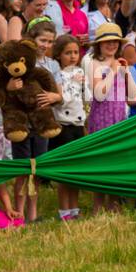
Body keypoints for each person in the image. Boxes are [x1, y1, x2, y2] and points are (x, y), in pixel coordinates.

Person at [9, 18, 63, 223]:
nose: (46, 45)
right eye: (43, 40)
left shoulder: (53, 64)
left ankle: (33, 213)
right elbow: (8, 90)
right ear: (31, 38)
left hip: (43, 123)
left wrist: (54, 97)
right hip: (22, 122)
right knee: (23, 169)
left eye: (50, 42)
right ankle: (19, 213)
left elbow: (59, 95)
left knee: (36, 170)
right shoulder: (21, 61)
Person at [83, 23, 129, 213]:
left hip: (118, 116)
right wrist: (112, 70)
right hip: (101, 117)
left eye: (115, 42)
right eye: (106, 42)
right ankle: (98, 205)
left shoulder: (120, 63)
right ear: (99, 45)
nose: (111, 45)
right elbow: (99, 94)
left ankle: (114, 203)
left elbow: (129, 94)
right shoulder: (94, 63)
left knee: (117, 161)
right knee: (101, 162)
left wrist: (125, 73)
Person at [49, 35, 88, 220]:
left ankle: (75, 207)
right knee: (65, 171)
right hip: (63, 126)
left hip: (78, 125)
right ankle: (64, 210)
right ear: (59, 55)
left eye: (75, 52)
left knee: (77, 170)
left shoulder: (80, 72)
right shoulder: (57, 75)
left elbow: (85, 97)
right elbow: (60, 100)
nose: (73, 56)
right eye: (68, 53)